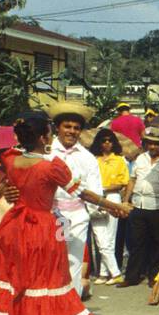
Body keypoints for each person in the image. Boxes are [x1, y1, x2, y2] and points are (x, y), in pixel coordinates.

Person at [0, 111, 115, 315]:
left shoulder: (11, 159)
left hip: (12, 227)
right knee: (36, 286)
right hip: (39, 230)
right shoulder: (51, 167)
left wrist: (6, 188)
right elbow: (82, 193)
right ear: (44, 137)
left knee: (15, 286)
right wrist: (112, 205)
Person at [47, 103, 103, 297]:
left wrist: (95, 211)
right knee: (52, 260)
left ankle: (72, 306)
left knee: (74, 261)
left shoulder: (88, 158)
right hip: (50, 215)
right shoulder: (46, 153)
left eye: (76, 128)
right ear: (57, 128)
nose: (71, 131)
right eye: (67, 126)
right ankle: (50, 305)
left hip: (77, 215)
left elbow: (95, 189)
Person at [117, 128, 159, 288]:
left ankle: (154, 276)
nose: (152, 147)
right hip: (138, 205)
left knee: (157, 243)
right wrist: (126, 201)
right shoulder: (141, 158)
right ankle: (132, 276)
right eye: (150, 143)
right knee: (136, 243)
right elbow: (132, 180)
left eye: (156, 144)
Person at [89, 128, 130, 283]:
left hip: (112, 197)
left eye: (109, 140)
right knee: (100, 237)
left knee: (111, 237)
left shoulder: (120, 160)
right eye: (104, 140)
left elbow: (122, 182)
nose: (107, 143)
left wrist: (104, 188)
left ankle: (104, 273)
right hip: (95, 198)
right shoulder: (92, 160)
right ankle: (114, 272)